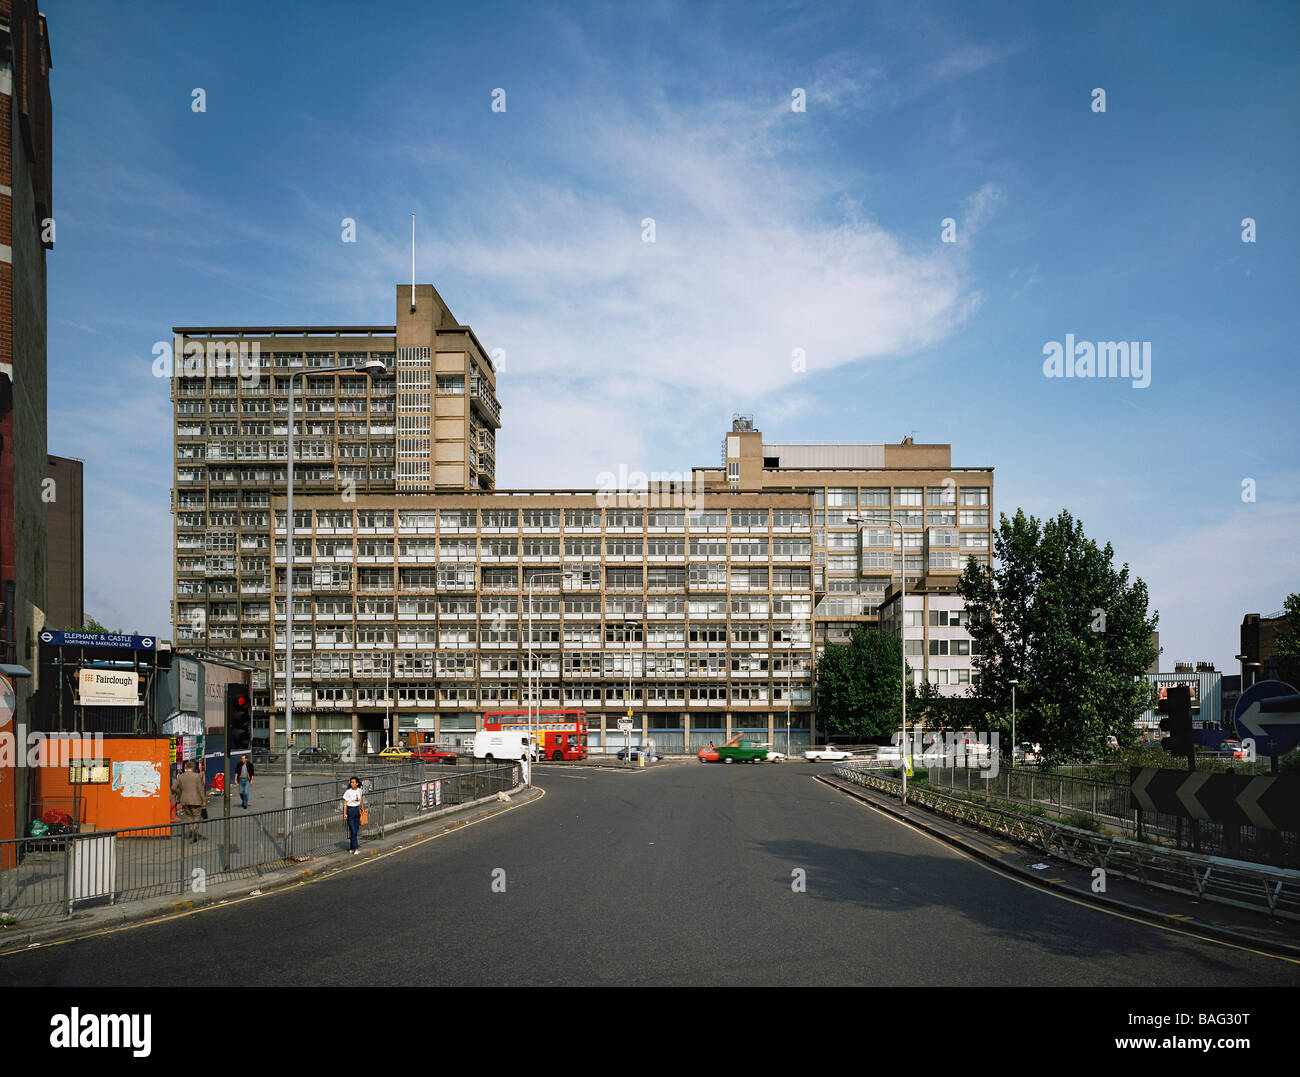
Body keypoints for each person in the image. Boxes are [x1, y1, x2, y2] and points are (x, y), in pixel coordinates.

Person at [172, 760, 207, 843]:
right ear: (193, 768)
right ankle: (194, 829)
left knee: (189, 817)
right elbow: (201, 789)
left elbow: (173, 787)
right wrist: (203, 800)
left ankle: (191, 829)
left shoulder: (180, 777)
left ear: (185, 767)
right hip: (196, 800)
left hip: (185, 800)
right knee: (197, 816)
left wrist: (180, 793)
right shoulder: (197, 776)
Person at [342, 776, 364, 854]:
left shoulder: (360, 790)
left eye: (353, 782)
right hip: (350, 811)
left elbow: (361, 800)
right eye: (351, 782)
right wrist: (344, 813)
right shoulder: (348, 791)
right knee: (353, 830)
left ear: (357, 783)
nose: (352, 784)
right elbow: (345, 803)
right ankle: (356, 848)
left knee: (355, 830)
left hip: (357, 811)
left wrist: (362, 809)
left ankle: (351, 847)